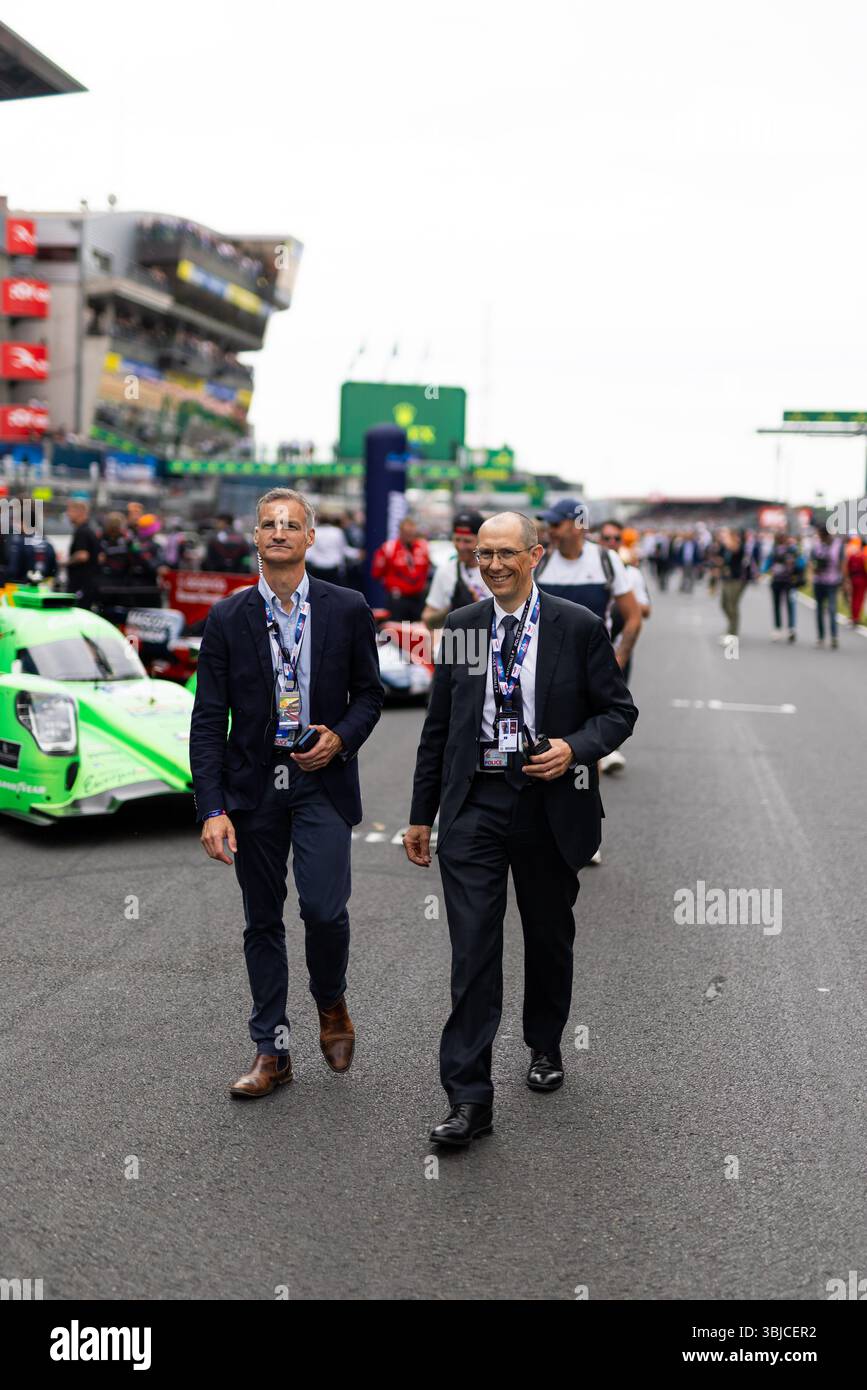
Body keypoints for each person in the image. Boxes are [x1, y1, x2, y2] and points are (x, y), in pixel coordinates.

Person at [403, 511, 638, 1148]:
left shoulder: (578, 626)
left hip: (548, 801)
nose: (496, 565)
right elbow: (439, 729)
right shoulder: (462, 627)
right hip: (475, 803)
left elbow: (619, 712)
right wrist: (422, 814)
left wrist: (575, 748)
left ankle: (544, 1043)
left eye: (508, 553)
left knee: (547, 934)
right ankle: (469, 1098)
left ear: (535, 556)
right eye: (484, 555)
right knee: (473, 946)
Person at [190, 488, 384, 1099]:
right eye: (269, 524)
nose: (279, 532)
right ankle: (271, 1051)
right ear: (256, 538)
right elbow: (207, 720)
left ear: (309, 539)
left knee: (324, 910)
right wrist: (213, 808)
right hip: (254, 787)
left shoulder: (347, 608)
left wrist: (341, 736)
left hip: (320, 778)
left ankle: (331, 1004)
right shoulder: (226, 617)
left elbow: (371, 696)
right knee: (262, 920)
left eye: (291, 524)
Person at [535, 499, 642, 670]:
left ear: (578, 526)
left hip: (594, 668)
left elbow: (634, 617)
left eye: (556, 524)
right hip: (548, 667)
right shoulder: (540, 562)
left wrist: (619, 660)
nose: (550, 531)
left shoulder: (606, 560)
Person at [422, 510, 489, 626]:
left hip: (486, 641)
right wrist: (450, 610)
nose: (461, 546)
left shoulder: (494, 570)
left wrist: (479, 607)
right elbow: (427, 620)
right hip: (455, 640)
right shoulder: (445, 571)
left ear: (480, 541)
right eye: (457, 539)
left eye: (467, 541)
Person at [370, 515, 430, 621]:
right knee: (395, 632)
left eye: (412, 533)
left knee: (418, 632)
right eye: (407, 533)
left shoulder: (423, 547)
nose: (409, 536)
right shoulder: (389, 548)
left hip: (418, 598)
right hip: (397, 599)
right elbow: (376, 573)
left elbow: (426, 569)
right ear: (400, 531)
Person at [763, 534, 804, 642]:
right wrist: (762, 571)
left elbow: (801, 564)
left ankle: (791, 629)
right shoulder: (774, 550)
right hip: (776, 581)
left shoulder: (793, 550)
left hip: (789, 582)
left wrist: (795, 560)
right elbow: (768, 563)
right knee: (777, 605)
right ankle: (777, 628)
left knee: (790, 605)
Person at [810, 524, 845, 648]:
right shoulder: (816, 545)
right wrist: (815, 567)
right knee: (819, 610)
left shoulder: (838, 545)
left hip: (832, 581)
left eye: (820, 535)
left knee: (832, 609)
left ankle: (834, 637)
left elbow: (841, 563)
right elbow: (812, 561)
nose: (819, 537)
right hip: (818, 581)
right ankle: (821, 637)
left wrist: (843, 580)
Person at [65, 499, 100, 607]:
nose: (67, 514)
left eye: (70, 511)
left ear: (80, 512)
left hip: (81, 584)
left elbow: (82, 555)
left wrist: (65, 562)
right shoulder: (89, 529)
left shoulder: (82, 531)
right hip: (88, 583)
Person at [306, 512, 353, 585]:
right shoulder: (337, 532)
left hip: (317, 568)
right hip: (333, 568)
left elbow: (309, 552)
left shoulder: (315, 532)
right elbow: (344, 550)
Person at [843, 536, 867, 628]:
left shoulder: (853, 555)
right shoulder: (864, 557)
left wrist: (847, 579)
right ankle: (856, 618)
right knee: (859, 599)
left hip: (853, 579)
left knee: (853, 599)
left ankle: (853, 617)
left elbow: (847, 568)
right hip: (862, 580)